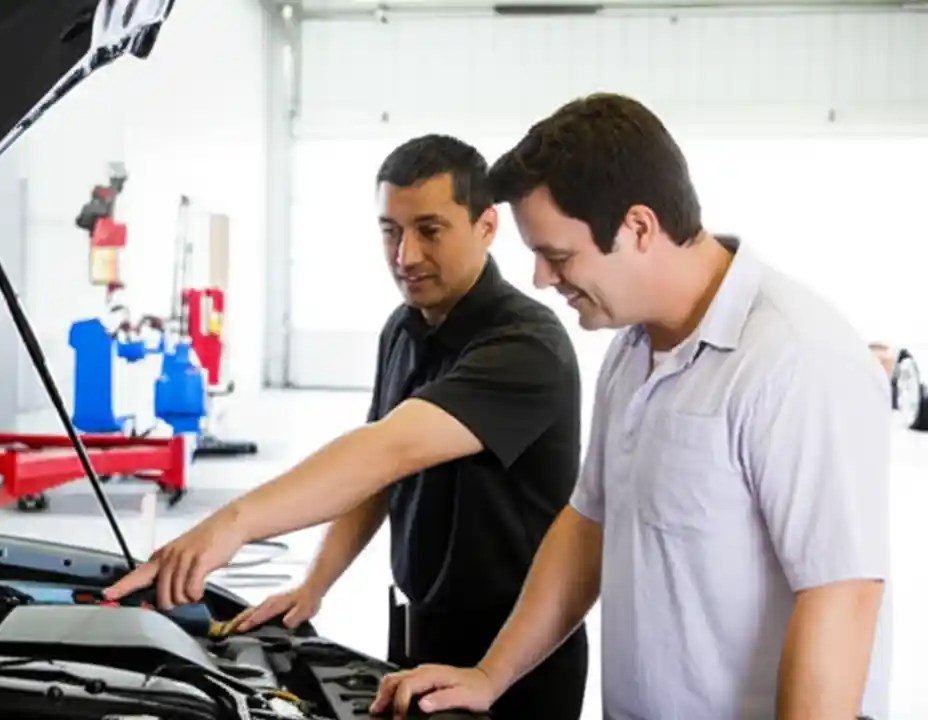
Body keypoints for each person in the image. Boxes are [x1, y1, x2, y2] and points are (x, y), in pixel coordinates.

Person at [368, 93, 893, 720]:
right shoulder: (632, 350)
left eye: (557, 256)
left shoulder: (795, 358)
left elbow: (841, 594)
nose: (540, 278)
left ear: (638, 228)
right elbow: (588, 524)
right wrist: (491, 674)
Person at [105, 134, 589, 718]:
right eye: (391, 231)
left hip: (517, 651)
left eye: (430, 230)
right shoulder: (404, 329)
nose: (405, 256)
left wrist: (232, 525)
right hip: (423, 629)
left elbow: (385, 450)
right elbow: (376, 479)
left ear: (487, 226)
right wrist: (315, 586)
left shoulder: (526, 344)